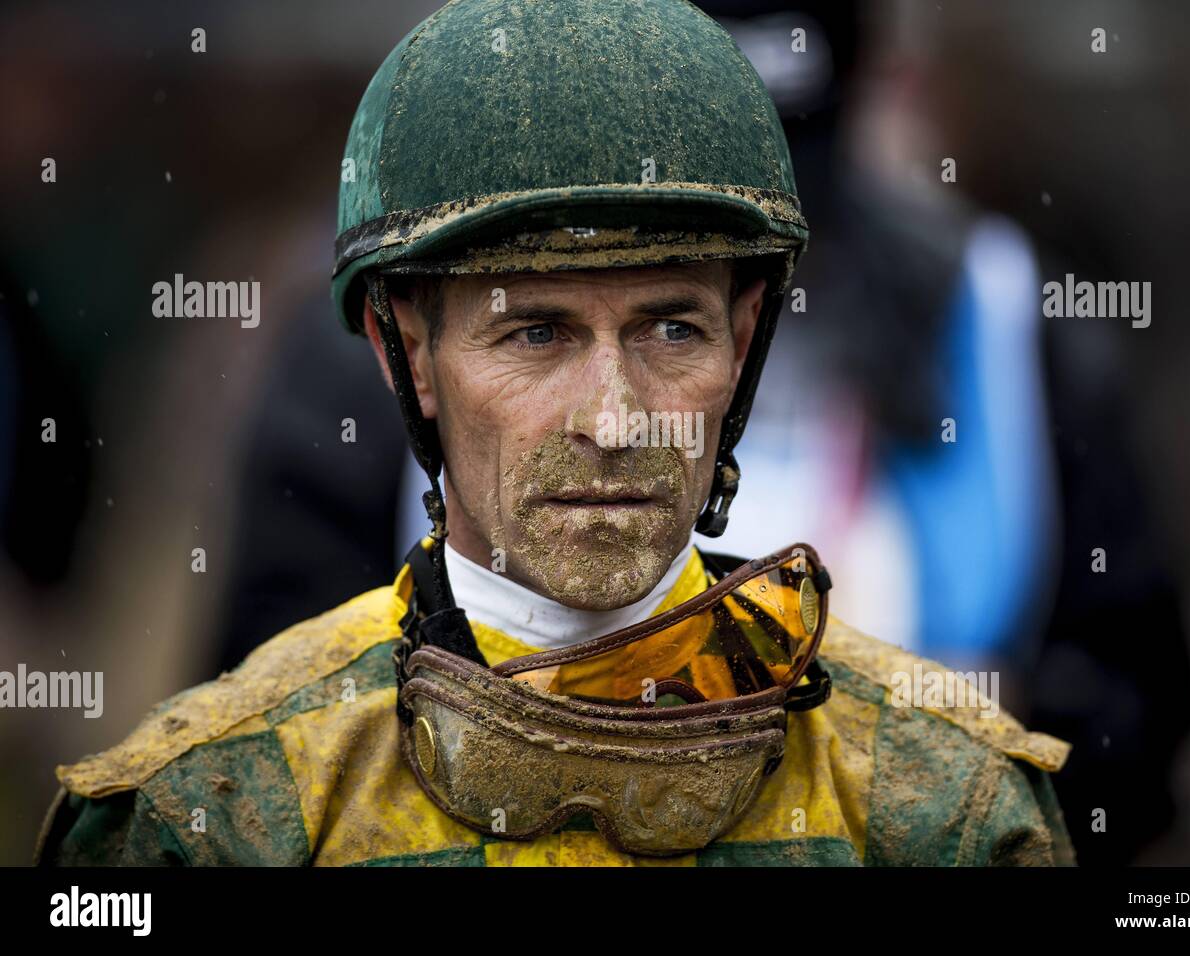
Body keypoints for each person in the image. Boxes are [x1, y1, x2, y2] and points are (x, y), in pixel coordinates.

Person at [35, 0, 1073, 866]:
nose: (614, 421)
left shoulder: (952, 812)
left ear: (745, 337)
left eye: (672, 328)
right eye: (535, 333)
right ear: (405, 353)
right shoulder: (208, 819)